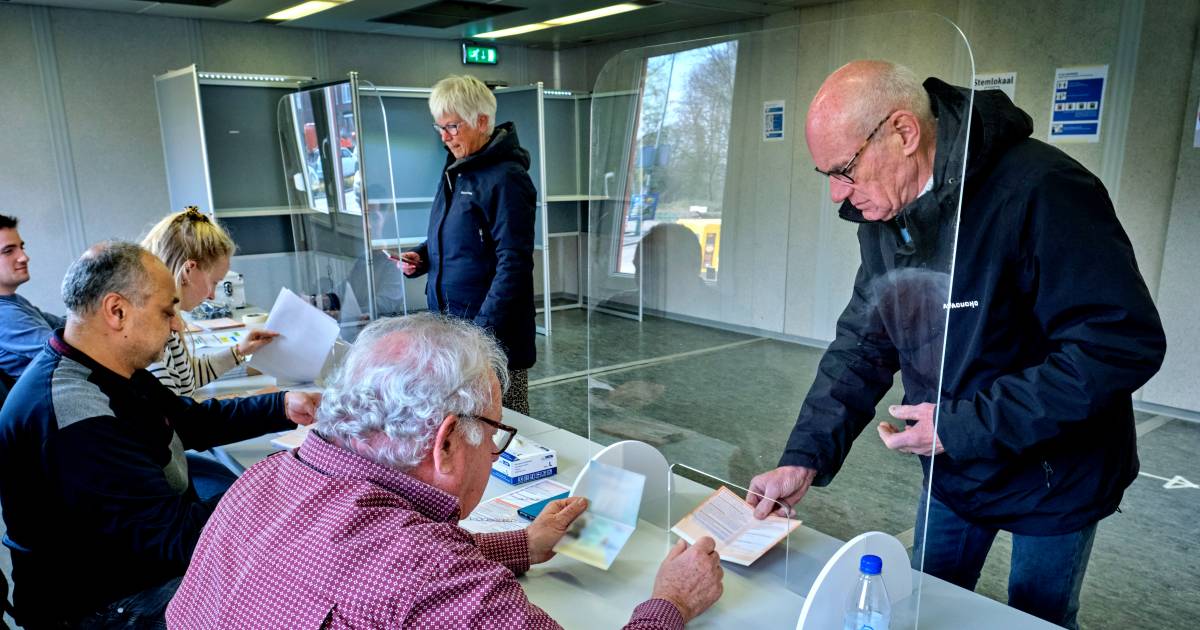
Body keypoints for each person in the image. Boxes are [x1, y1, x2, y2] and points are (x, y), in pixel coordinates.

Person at [747, 60, 1166, 629]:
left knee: (1037, 618)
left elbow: (1118, 342)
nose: (836, 196)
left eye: (843, 170)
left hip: (1053, 474)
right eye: (827, 175)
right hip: (953, 469)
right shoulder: (884, 217)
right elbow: (863, 345)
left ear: (903, 132)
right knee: (921, 607)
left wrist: (962, 427)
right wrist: (804, 458)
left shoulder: (1043, 189)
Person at [167, 313, 724, 629]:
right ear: (448, 444)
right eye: (496, 433)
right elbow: (409, 577)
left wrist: (523, 545)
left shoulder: (262, 481)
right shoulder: (426, 572)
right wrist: (671, 603)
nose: (496, 451)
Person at [0, 241, 321, 628]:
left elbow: (188, 422)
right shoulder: (76, 413)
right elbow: (177, 539)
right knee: (296, 588)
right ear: (116, 311)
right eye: (166, 311)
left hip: (136, 560)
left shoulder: (106, 366)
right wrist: (288, 475)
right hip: (103, 605)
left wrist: (282, 406)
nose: (176, 324)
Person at [400, 75, 537, 415]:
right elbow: (456, 237)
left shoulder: (507, 178)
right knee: (462, 430)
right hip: (454, 333)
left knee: (505, 430)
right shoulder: (457, 170)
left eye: (452, 127)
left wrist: (479, 334)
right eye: (440, 129)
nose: (445, 138)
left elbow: (514, 263)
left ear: (481, 121)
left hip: (491, 337)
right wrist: (423, 256)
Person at [141, 206, 278, 396]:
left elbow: (187, 377)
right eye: (214, 282)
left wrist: (239, 351)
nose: (212, 295)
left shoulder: (166, 323)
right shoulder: (152, 335)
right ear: (188, 270)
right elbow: (175, 415)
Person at [0, 214, 64, 383]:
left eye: (22, 247)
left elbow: (66, 327)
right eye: (8, 251)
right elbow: (68, 353)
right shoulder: (4, 315)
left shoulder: (14, 301)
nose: (24, 257)